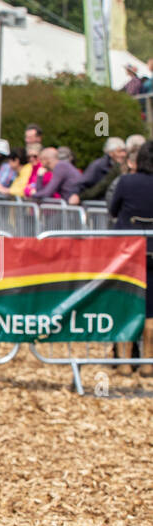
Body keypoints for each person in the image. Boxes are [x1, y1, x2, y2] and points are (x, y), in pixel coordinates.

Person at [107, 142, 153, 373]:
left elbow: (113, 210)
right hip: (152, 253)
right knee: (151, 309)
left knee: (124, 303)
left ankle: (124, 363)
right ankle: (148, 364)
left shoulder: (126, 181)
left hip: (127, 252)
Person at [79, 138, 128, 202]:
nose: (123, 154)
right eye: (119, 151)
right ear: (110, 153)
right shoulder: (98, 165)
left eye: (124, 151)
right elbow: (85, 183)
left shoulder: (123, 166)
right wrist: (79, 196)